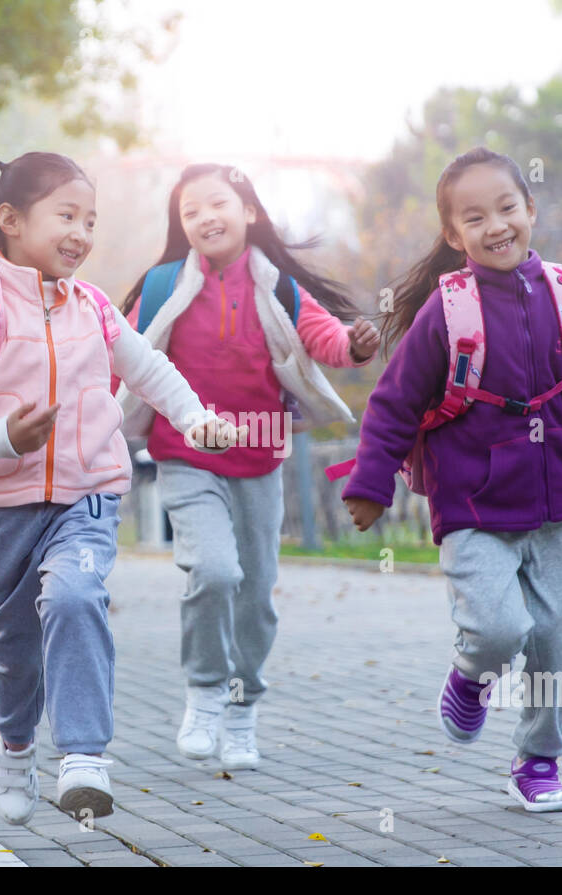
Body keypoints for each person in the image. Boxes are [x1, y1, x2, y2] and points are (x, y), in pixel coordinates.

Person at [340, 146, 562, 811]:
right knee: (498, 630)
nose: (496, 225)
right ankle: (471, 678)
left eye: (506, 208)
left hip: (556, 508)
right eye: (475, 217)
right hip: (472, 507)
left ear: (530, 209)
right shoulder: (448, 312)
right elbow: (394, 403)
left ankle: (538, 764)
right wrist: (369, 484)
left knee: (557, 646)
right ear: (453, 235)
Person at [0, 152, 239, 824]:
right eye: (67, 215)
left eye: (90, 220)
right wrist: (4, 438)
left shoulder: (92, 308)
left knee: (77, 596)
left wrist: (197, 419)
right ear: (10, 220)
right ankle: (14, 745)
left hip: (87, 497)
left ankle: (85, 758)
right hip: (3, 509)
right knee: (15, 646)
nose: (82, 233)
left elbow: (149, 369)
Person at [119, 163, 381, 770]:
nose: (206, 217)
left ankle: (243, 705)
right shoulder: (163, 287)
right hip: (186, 455)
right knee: (213, 572)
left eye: (218, 204)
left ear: (250, 213)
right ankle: (206, 691)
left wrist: (355, 345)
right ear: (181, 227)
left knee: (256, 592)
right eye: (191, 211)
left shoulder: (278, 286)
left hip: (260, 458)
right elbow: (122, 357)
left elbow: (322, 337)